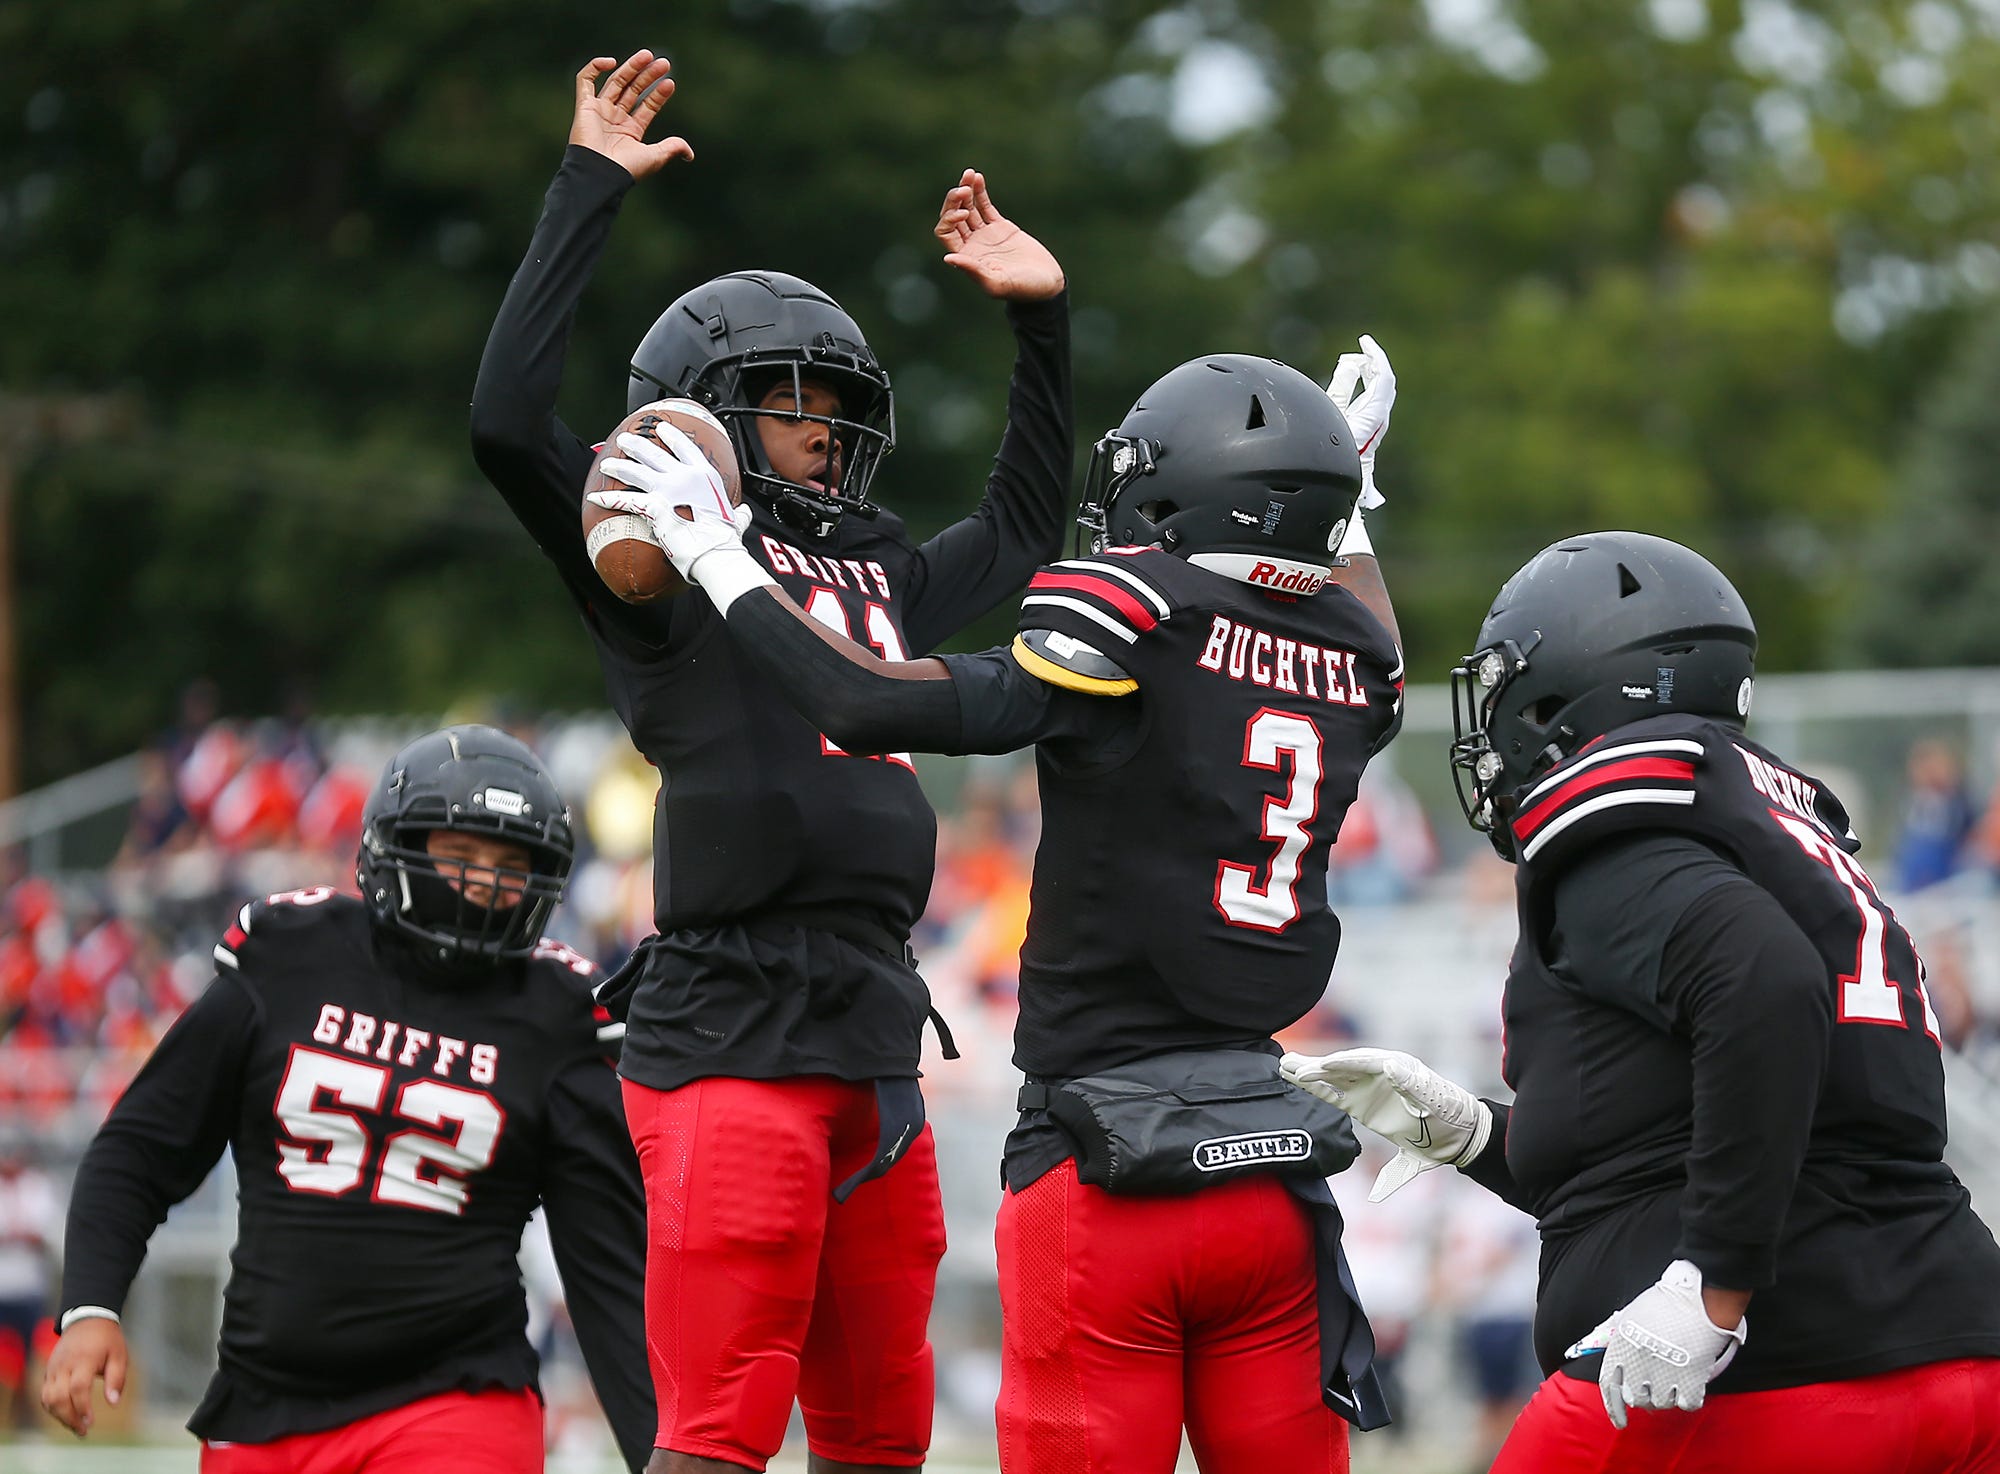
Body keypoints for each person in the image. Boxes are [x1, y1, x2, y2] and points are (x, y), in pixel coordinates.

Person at [593, 346, 1404, 1474]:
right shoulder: (1357, 652)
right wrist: (1347, 501)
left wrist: (717, 555)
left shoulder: (1130, 605)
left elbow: (863, 700)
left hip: (1106, 1165)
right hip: (1274, 1177)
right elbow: (1364, 620)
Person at [468, 48, 1073, 1474]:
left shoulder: (870, 566)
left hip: (875, 1029)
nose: (826, 421)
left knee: (882, 1432)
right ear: (702, 412)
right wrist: (586, 192)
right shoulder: (662, 553)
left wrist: (1043, 328)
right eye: (791, 394)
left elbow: (1023, 525)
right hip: (729, 1027)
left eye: (835, 394)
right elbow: (506, 423)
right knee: (722, 1429)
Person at [1284, 532, 2000, 1473]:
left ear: (1565, 696)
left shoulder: (1623, 833)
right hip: (1951, 1346)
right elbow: (1691, 1137)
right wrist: (1476, 1137)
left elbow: (1764, 987)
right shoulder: (1761, 828)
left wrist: (1714, 1283)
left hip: (1763, 1377)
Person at [40, 726, 656, 1473]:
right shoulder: (288, 956)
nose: (486, 885)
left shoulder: (556, 1013)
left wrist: (662, 1452)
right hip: (263, 1402)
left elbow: (610, 1268)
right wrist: (91, 1307)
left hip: (453, 1400)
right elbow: (141, 1146)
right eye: (460, 855)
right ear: (391, 846)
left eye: (510, 866)